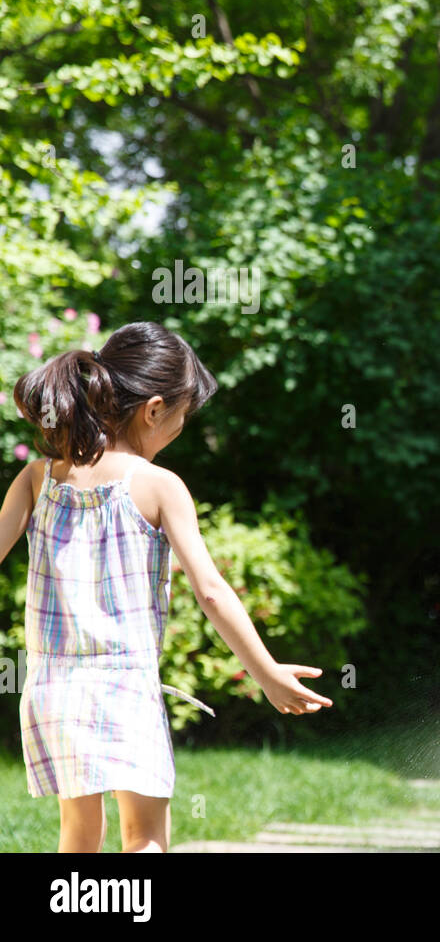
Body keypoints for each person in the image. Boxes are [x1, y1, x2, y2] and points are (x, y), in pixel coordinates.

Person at [0, 321, 333, 852]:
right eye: (179, 422)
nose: (177, 433)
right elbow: (212, 592)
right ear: (153, 410)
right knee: (146, 836)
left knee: (79, 835)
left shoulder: (39, 478)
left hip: (51, 689)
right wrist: (266, 672)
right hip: (124, 688)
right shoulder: (158, 485)